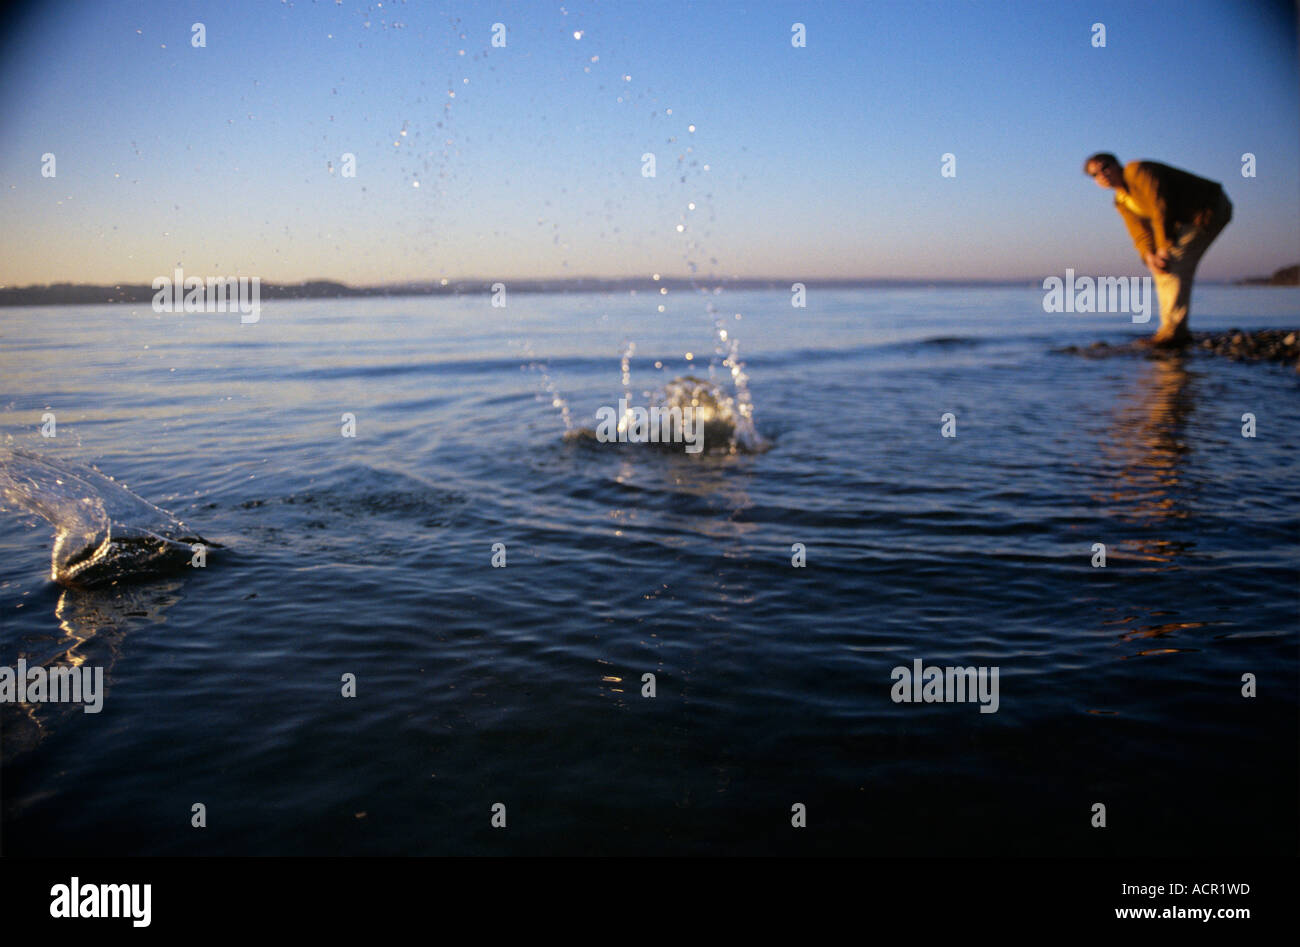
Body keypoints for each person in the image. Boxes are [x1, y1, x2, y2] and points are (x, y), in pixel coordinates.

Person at [1083, 153, 1232, 347]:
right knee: (1161, 268)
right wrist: (1149, 256)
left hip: (1208, 208)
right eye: (1095, 175)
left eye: (1104, 167)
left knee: (1174, 263)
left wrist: (1163, 247)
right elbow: (1140, 234)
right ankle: (1170, 328)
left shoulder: (1137, 171)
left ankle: (1174, 332)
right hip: (1183, 222)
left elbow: (1160, 206)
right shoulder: (1121, 201)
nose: (1102, 175)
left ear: (1116, 164)